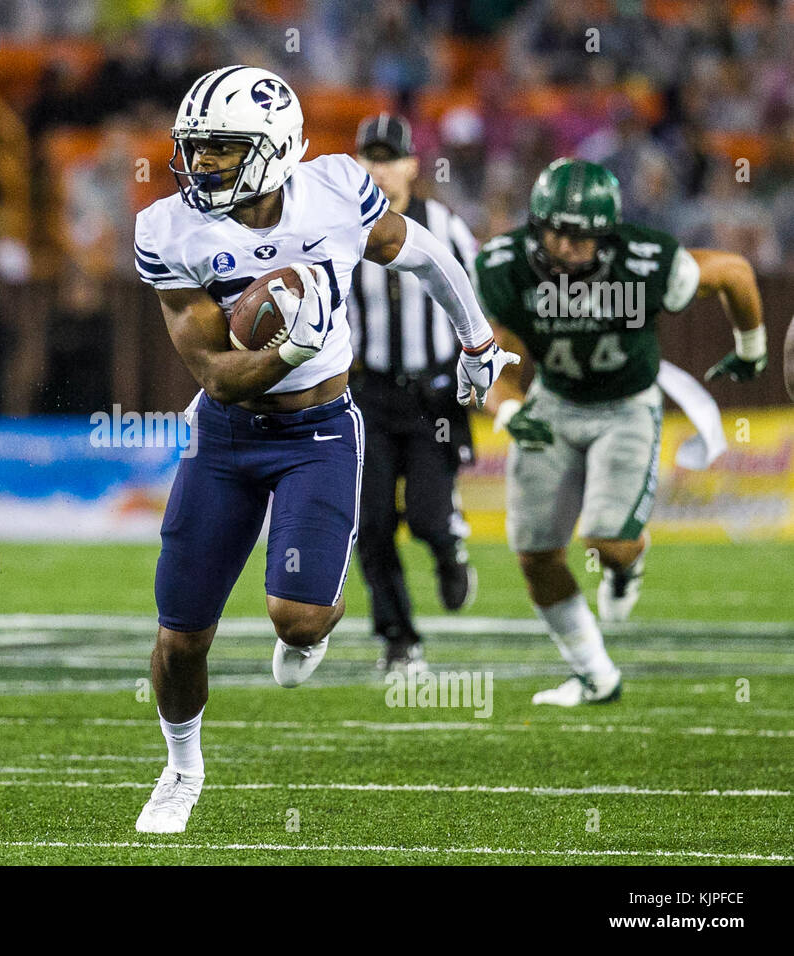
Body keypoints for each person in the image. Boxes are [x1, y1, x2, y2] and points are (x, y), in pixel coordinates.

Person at [132, 66, 519, 833]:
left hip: (320, 431)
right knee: (180, 638)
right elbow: (216, 372)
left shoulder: (338, 190)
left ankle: (314, 620)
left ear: (273, 150)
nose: (199, 165)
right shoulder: (168, 229)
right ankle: (180, 768)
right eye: (194, 149)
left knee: (300, 621)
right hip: (226, 433)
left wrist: (475, 339)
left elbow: (424, 253)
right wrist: (288, 350)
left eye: (219, 150)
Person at [475, 158, 767, 707]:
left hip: (626, 405)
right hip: (555, 404)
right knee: (536, 554)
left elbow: (734, 271)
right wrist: (511, 411)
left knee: (608, 541)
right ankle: (594, 674)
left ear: (605, 235)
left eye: (580, 236)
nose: (564, 247)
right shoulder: (502, 266)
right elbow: (495, 365)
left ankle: (625, 567)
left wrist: (752, 350)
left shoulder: (644, 258)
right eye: (554, 230)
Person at [347, 113, 480, 673]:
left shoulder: (444, 225)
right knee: (371, 522)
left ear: (412, 165)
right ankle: (399, 637)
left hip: (433, 397)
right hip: (368, 394)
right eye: (369, 157)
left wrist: (480, 373)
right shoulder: (337, 229)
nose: (379, 168)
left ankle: (448, 547)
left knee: (425, 516)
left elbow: (477, 305)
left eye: (389, 157)